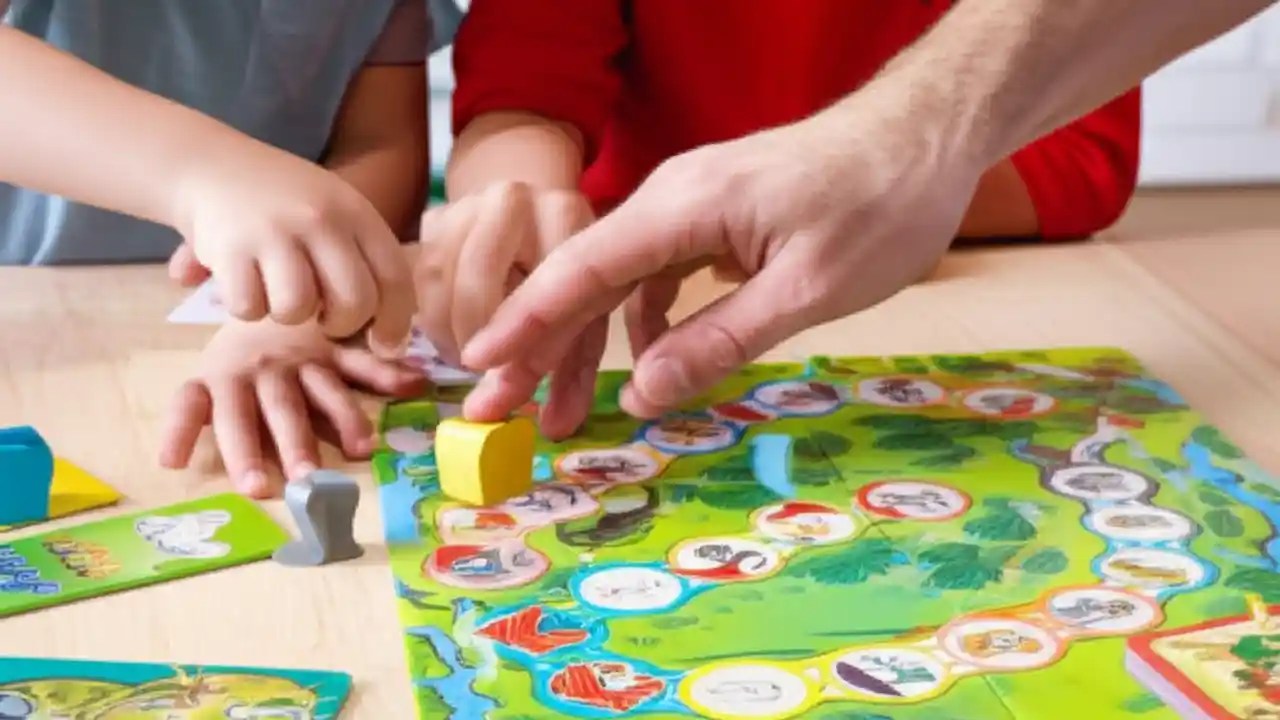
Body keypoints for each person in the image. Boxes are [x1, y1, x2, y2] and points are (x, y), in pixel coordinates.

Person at [451, 0, 1276, 433]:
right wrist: (510, 193)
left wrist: (908, 164)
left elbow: (1084, 166)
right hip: (638, 297)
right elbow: (524, 80)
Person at [0, 0, 438, 497]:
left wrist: (299, 303)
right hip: (33, 323)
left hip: (216, 321)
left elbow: (380, 145)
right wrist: (201, 171)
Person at [0, 0, 425, 349]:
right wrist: (201, 172)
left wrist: (305, 294)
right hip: (29, 306)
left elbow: (380, 144)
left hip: (235, 323)